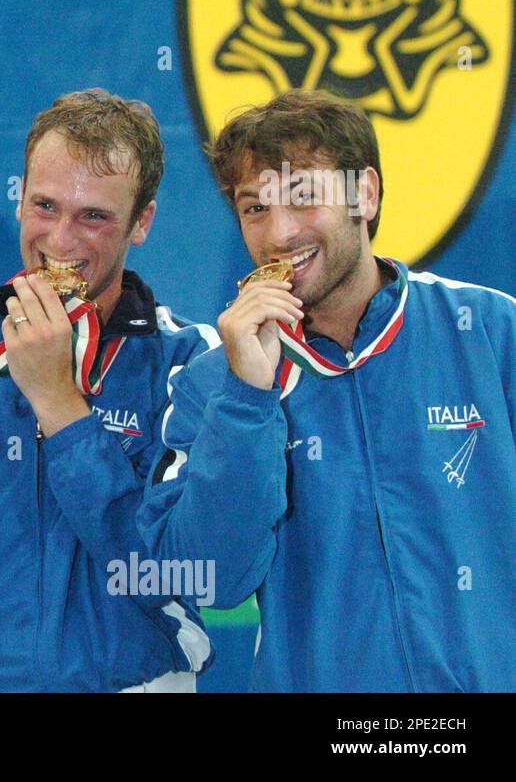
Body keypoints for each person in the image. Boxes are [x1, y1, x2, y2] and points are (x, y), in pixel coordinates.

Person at [139, 89, 516, 691]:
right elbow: (207, 580)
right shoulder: (214, 382)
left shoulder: (491, 333)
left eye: (303, 196)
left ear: (363, 194)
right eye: (254, 208)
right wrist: (247, 400)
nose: (280, 232)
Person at [0, 89, 215, 691]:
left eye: (93, 216)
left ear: (141, 221)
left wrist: (61, 407)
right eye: (44, 205)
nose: (61, 240)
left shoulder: (189, 367)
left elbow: (177, 575)